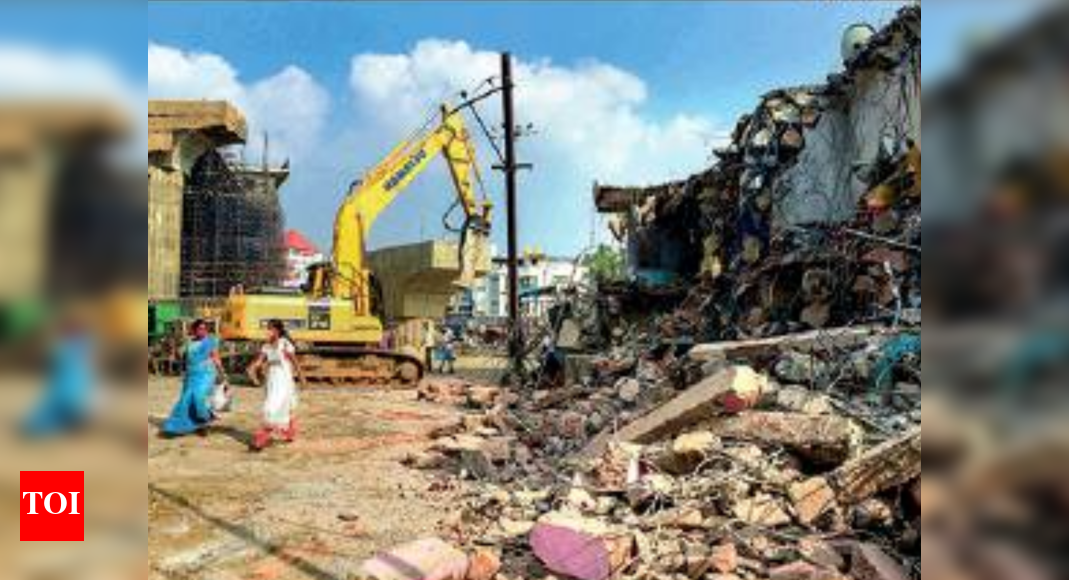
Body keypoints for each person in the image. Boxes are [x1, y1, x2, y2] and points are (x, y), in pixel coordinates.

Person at [245, 319, 305, 451]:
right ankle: (288, 430)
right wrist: (252, 370)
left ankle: (260, 440)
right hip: (272, 380)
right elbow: (259, 361)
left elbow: (295, 362)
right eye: (267, 329)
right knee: (276, 406)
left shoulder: (284, 343)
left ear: (277, 330)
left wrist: (301, 378)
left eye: (270, 329)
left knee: (270, 408)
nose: (268, 331)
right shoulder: (266, 346)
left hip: (284, 380)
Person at [160, 319, 225, 437]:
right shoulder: (189, 342)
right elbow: (180, 356)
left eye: (205, 329)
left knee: (198, 397)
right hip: (191, 375)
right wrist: (175, 352)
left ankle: (204, 420)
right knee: (185, 401)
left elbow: (215, 358)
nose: (203, 331)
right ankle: (175, 427)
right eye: (200, 329)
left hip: (206, 373)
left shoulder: (210, 341)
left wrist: (222, 374)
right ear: (194, 330)